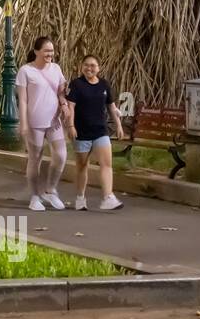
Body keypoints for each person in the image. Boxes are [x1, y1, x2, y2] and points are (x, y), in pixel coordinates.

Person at [65, 54, 125, 210]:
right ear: (82, 67)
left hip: (100, 130)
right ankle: (80, 198)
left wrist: (118, 125)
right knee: (82, 165)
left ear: (98, 68)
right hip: (81, 131)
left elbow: (111, 107)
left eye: (93, 65)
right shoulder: (77, 84)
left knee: (106, 164)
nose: (89, 68)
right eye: (86, 65)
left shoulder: (104, 85)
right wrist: (70, 126)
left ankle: (108, 197)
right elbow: (70, 106)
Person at [16, 35, 69, 211]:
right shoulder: (26, 71)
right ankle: (34, 195)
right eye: (46, 51)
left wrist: (64, 105)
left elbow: (61, 92)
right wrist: (23, 123)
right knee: (35, 158)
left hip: (54, 120)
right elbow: (22, 100)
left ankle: (51, 189)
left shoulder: (56, 69)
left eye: (52, 51)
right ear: (36, 51)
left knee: (61, 155)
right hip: (34, 121)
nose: (50, 54)